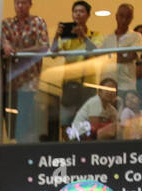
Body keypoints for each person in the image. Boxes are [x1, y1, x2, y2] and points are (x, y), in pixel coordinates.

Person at [1, 0, 51, 141]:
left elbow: (43, 46)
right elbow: (3, 42)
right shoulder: (7, 24)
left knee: (26, 120)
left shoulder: (38, 22)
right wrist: (6, 45)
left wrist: (19, 52)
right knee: (10, 122)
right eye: (17, 3)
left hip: (30, 82)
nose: (20, 6)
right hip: (11, 82)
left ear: (30, 4)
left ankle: (24, 148)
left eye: (23, 3)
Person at [50, 0, 102, 136]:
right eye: (75, 11)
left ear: (88, 15)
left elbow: (96, 52)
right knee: (66, 124)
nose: (78, 14)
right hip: (69, 85)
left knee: (86, 125)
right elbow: (53, 53)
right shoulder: (67, 37)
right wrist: (57, 35)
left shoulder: (95, 35)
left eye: (81, 11)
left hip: (88, 85)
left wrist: (83, 36)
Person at [98, 4, 140, 94]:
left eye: (128, 17)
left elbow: (131, 56)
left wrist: (109, 58)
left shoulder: (136, 36)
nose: (124, 20)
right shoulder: (107, 39)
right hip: (107, 85)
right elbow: (98, 56)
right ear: (116, 16)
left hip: (127, 86)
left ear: (132, 18)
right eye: (121, 16)